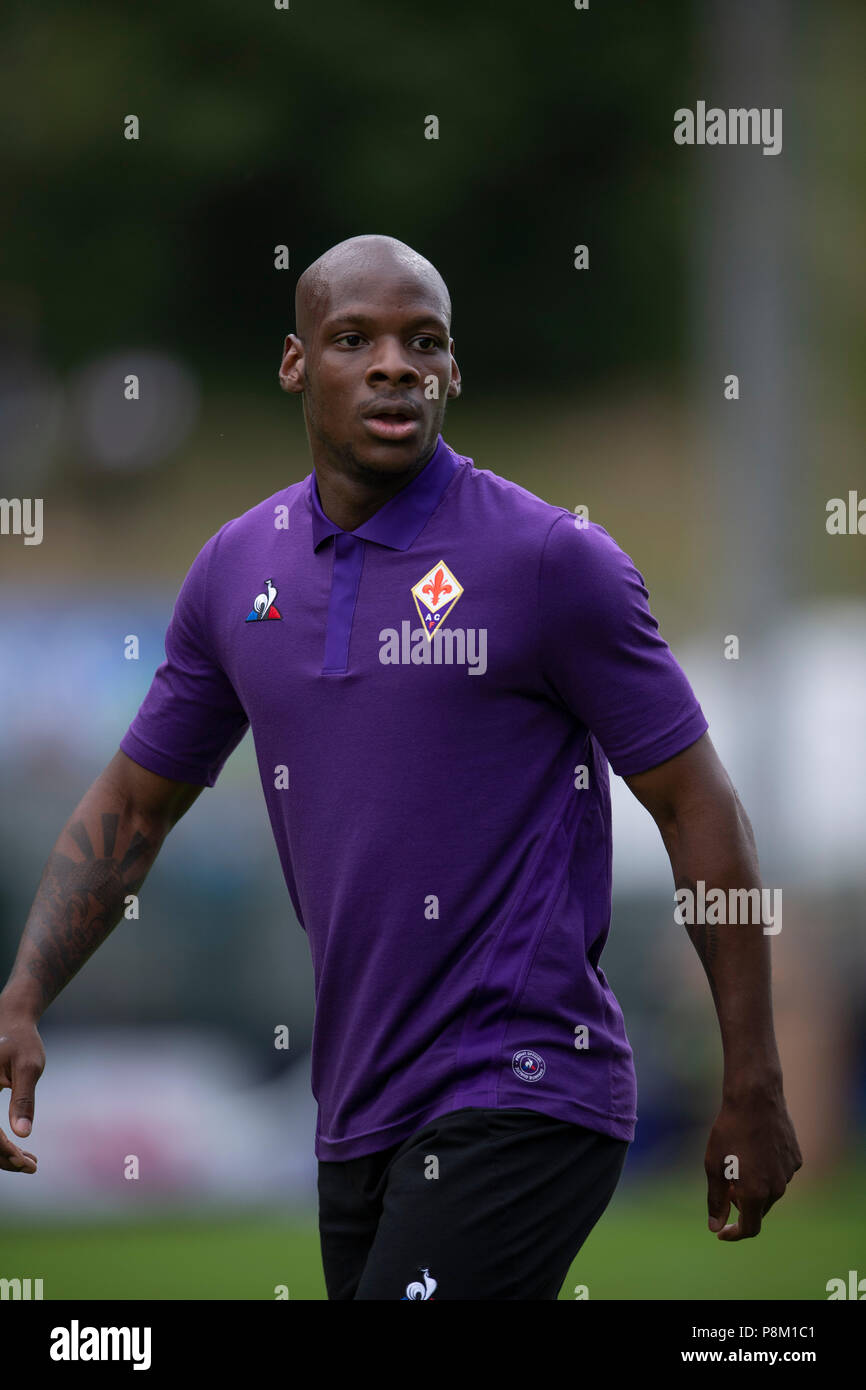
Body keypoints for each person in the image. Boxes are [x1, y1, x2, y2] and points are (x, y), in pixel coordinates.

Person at [0, 234, 801, 1300]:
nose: (393, 364)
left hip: (523, 1083)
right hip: (356, 1106)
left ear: (452, 373)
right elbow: (135, 806)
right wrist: (24, 993)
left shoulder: (550, 562)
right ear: (296, 364)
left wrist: (750, 1074)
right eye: (354, 339)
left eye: (422, 342)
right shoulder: (237, 570)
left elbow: (696, 803)